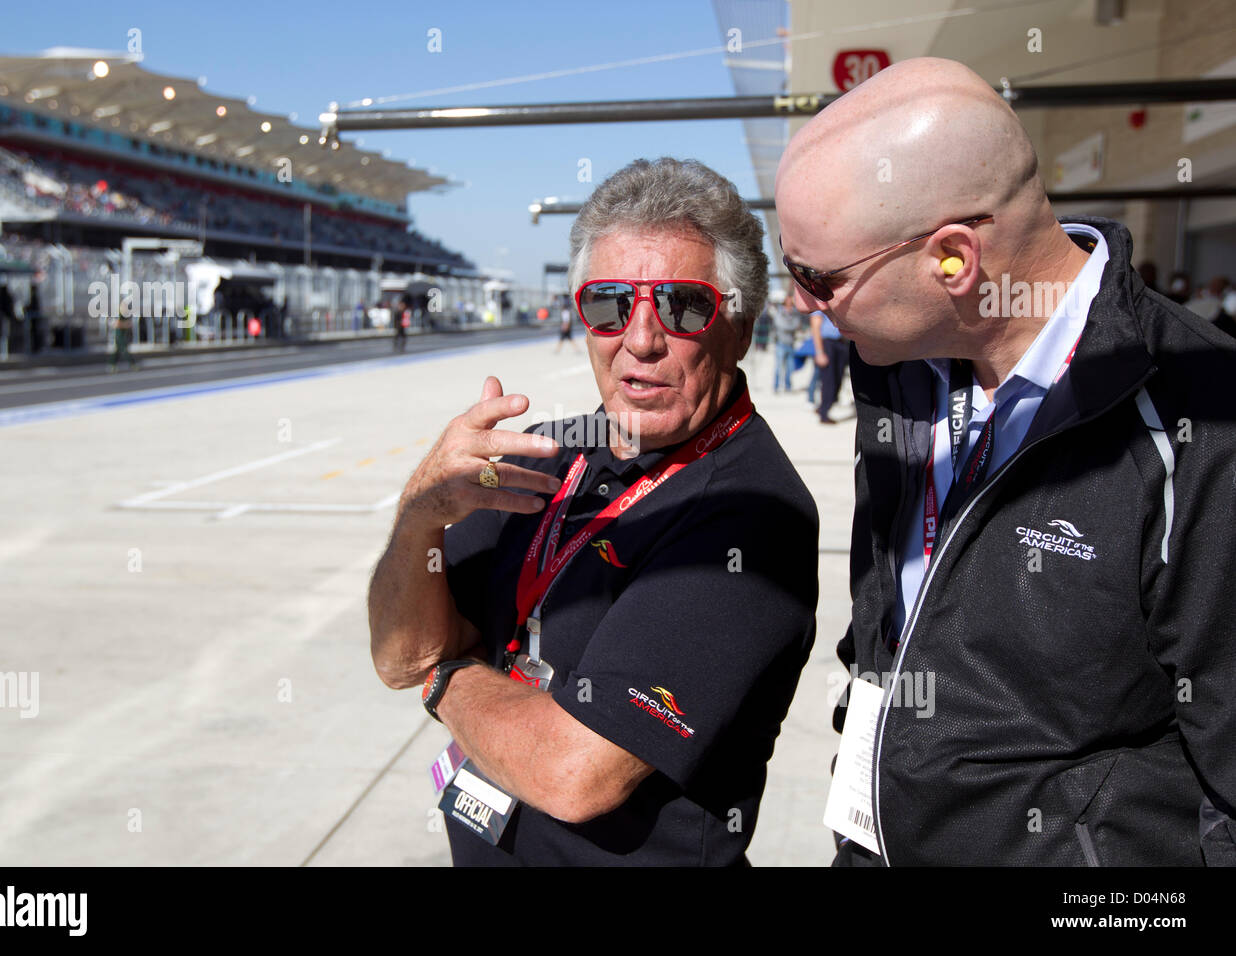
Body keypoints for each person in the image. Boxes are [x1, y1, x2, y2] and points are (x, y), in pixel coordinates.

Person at [776, 57, 1236, 866]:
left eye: (817, 278)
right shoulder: (898, 362)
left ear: (953, 260)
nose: (798, 305)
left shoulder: (1204, 422)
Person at [368, 157, 819, 866]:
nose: (640, 339)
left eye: (682, 305)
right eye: (609, 303)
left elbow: (574, 774)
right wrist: (419, 515)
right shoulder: (544, 455)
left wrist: (447, 674)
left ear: (739, 326)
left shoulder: (752, 513)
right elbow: (395, 653)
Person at [809, 309, 847, 423]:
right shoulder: (820, 303)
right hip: (827, 343)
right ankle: (824, 413)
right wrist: (819, 352)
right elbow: (815, 327)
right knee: (828, 380)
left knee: (839, 379)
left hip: (841, 342)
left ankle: (823, 407)